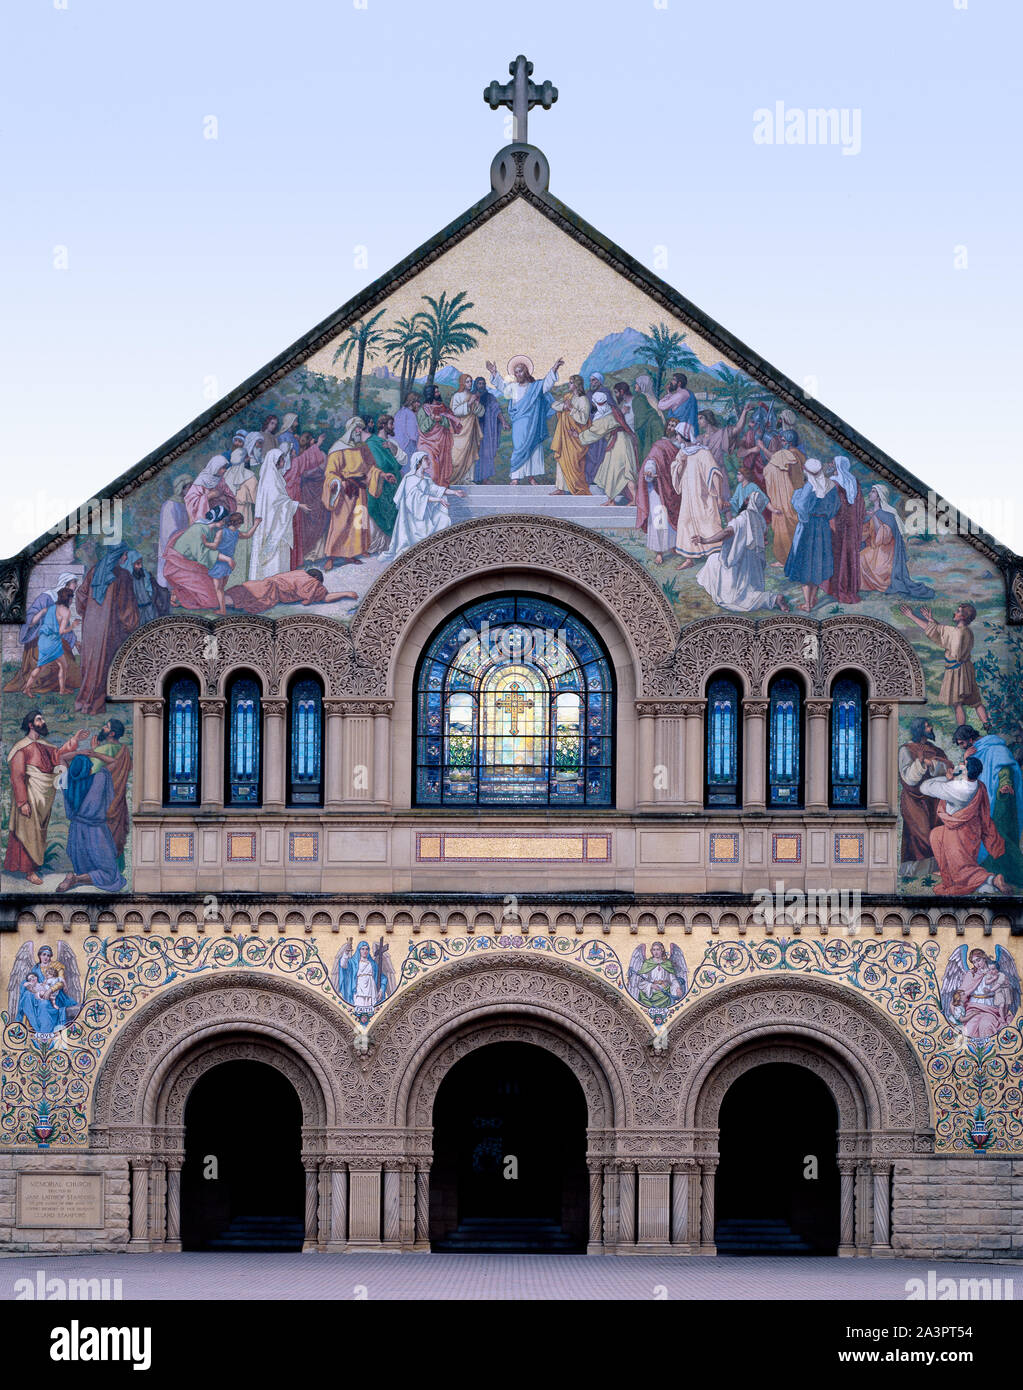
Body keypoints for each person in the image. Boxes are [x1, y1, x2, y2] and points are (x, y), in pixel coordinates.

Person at [3, 712, 85, 885]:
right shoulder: (21, 747)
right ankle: (28, 871)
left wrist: (74, 740)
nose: (43, 721)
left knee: (37, 833)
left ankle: (31, 867)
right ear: (30, 725)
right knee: (27, 830)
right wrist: (22, 802)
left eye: (42, 718)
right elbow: (17, 776)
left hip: (43, 797)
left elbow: (58, 755)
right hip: (28, 795)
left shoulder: (44, 745)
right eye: (39, 719)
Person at [917, 757, 1008, 895]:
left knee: (962, 869)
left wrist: (948, 779)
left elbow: (924, 787)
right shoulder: (977, 784)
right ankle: (948, 872)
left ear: (965, 771)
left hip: (958, 832)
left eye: (963, 764)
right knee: (936, 834)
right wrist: (954, 778)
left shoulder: (957, 789)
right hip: (972, 830)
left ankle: (992, 880)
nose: (959, 764)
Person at [950, 725, 1023, 887]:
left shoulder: (996, 748)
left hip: (1001, 800)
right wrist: (965, 759)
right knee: (990, 835)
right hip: (984, 800)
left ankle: (1016, 874)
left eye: (962, 743)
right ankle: (993, 874)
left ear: (970, 739)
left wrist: (1005, 784)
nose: (962, 747)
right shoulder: (974, 752)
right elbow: (960, 777)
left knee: (1000, 835)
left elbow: (1005, 769)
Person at [900, 602, 989, 727]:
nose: (955, 613)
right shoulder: (967, 631)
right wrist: (931, 620)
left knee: (957, 703)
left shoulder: (956, 632)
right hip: (966, 669)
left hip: (956, 671)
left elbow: (938, 632)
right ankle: (987, 725)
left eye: (958, 611)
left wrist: (911, 616)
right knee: (976, 702)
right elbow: (942, 631)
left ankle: (961, 730)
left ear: (963, 617)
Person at [74, 545, 139, 715]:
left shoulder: (94, 571)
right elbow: (126, 607)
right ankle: (95, 704)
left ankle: (83, 701)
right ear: (118, 555)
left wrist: (89, 612)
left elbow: (81, 595)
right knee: (104, 663)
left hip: (90, 626)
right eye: (124, 555)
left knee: (90, 662)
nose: (126, 558)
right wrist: (131, 624)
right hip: (110, 628)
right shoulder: (123, 576)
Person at [321, 418, 396, 567]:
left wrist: (382, 475)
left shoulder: (362, 448)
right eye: (357, 428)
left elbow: (371, 468)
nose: (359, 431)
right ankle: (332, 556)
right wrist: (338, 482)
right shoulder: (338, 448)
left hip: (360, 490)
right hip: (345, 490)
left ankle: (351, 554)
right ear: (350, 430)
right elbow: (330, 473)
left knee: (358, 523)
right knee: (341, 524)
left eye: (360, 428)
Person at [694, 492, 787, 611]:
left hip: (740, 563)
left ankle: (774, 599)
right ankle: (772, 599)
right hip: (754, 566)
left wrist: (705, 540)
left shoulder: (744, 517)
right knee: (746, 590)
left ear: (749, 502)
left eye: (747, 499)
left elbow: (727, 532)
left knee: (714, 562)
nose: (744, 501)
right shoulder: (760, 519)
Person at [487, 354, 564, 485]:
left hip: (533, 423)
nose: (518, 374)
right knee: (519, 448)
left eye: (520, 371)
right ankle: (515, 477)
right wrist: (494, 373)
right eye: (516, 372)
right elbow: (502, 387)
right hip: (519, 423)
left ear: (526, 372)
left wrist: (554, 369)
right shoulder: (513, 387)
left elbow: (546, 384)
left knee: (533, 449)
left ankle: (531, 477)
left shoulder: (534, 387)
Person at [55, 753, 127, 893]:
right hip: (96, 833)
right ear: (88, 768)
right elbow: (114, 762)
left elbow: (61, 758)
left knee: (86, 868)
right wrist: (92, 753)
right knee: (111, 875)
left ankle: (75, 877)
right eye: (89, 766)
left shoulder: (66, 781)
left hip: (76, 834)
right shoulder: (99, 779)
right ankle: (76, 879)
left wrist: (80, 753)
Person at [383, 452, 465, 561]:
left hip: (424, 513)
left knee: (444, 519)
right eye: (426, 459)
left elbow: (436, 490)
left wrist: (454, 492)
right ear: (419, 463)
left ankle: (437, 550)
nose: (429, 461)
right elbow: (415, 498)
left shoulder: (426, 478)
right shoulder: (410, 479)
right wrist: (438, 499)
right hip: (414, 518)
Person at [898, 717, 953, 877]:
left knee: (936, 831)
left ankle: (937, 868)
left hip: (934, 799)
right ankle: (915, 872)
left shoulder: (935, 750)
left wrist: (934, 764)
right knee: (919, 834)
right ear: (919, 729)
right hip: (914, 800)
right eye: (927, 726)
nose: (930, 728)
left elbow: (947, 766)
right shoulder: (906, 750)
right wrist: (921, 764)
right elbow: (908, 777)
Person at [785, 459, 842, 610]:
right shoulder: (830, 486)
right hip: (822, 527)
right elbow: (835, 507)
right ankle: (810, 601)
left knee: (805, 563)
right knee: (817, 563)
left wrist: (796, 497)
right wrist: (824, 516)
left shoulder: (809, 486)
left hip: (808, 527)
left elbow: (801, 506)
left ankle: (808, 604)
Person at [860, 485, 933, 598]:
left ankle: (879, 582)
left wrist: (874, 517)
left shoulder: (888, 514)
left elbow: (884, 537)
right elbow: (868, 533)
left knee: (860, 558)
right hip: (876, 549)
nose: (870, 493)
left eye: (873, 491)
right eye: (871, 491)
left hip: (886, 553)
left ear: (879, 495)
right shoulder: (872, 512)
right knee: (859, 556)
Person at [671, 430, 729, 566]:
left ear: (684, 436)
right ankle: (689, 558)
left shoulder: (703, 453)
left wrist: (719, 497)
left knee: (708, 523)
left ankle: (715, 555)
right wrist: (681, 462)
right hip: (687, 499)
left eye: (678, 434)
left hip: (702, 498)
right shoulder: (682, 453)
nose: (676, 437)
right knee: (686, 524)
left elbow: (715, 473)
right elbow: (676, 472)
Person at [248, 448, 305, 581]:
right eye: (281, 459)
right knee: (274, 557)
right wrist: (297, 505)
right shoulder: (270, 479)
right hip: (272, 525)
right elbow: (277, 502)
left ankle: (279, 584)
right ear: (275, 461)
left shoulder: (275, 477)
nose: (284, 461)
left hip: (276, 522)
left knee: (280, 555)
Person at [579, 390, 638, 505]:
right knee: (624, 470)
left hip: (619, 443)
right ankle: (620, 499)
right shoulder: (613, 409)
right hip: (624, 440)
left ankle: (615, 500)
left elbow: (594, 432)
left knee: (614, 471)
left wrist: (579, 436)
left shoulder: (605, 417)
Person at [21, 582, 79, 696]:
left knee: (48, 666)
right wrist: (73, 626)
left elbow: (33, 622)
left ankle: (29, 689)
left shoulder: (49, 608)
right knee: (61, 666)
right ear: (68, 599)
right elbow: (61, 631)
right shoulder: (66, 612)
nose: (72, 601)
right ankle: (60, 690)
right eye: (71, 598)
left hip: (43, 640)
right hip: (53, 642)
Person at [821, 456, 865, 604]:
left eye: (834, 463)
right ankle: (849, 587)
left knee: (837, 554)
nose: (831, 465)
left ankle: (836, 588)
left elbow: (828, 505)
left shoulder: (834, 482)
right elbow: (860, 506)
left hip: (837, 524)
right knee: (848, 554)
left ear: (838, 466)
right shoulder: (854, 481)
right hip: (852, 525)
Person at [760, 429, 804, 567]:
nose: (781, 443)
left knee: (785, 524)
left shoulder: (787, 454)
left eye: (783, 441)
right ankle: (791, 558)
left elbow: (773, 462)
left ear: (789, 442)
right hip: (796, 493)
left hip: (786, 496)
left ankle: (786, 559)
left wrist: (762, 448)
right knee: (790, 525)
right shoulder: (798, 454)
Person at [226, 567, 357, 614]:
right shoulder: (312, 582)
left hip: (261, 584)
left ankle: (219, 603)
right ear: (317, 578)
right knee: (246, 599)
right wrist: (345, 593)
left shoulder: (298, 572)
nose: (319, 587)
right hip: (269, 591)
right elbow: (325, 597)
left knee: (239, 593)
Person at [205, 510, 262, 613]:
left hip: (219, 561)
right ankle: (221, 607)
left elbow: (214, 546)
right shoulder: (236, 533)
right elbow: (248, 535)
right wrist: (256, 524)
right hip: (228, 564)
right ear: (239, 524)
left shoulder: (221, 531)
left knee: (218, 589)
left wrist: (205, 543)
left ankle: (222, 610)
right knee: (221, 588)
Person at [287, 431, 330, 567]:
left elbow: (322, 470)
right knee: (306, 521)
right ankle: (306, 553)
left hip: (318, 490)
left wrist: (310, 474)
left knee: (319, 518)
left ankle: (317, 552)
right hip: (305, 492)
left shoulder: (317, 455)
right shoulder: (301, 457)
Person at [223, 435, 261, 586]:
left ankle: (230, 582)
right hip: (243, 514)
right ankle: (241, 581)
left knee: (229, 546)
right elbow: (256, 499)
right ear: (244, 459)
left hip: (229, 514)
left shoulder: (226, 474)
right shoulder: (250, 477)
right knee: (243, 546)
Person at [363, 416, 406, 540]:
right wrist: (389, 469)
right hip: (380, 483)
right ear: (383, 425)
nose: (393, 427)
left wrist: (393, 449)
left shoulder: (392, 443)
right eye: (391, 424)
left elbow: (402, 462)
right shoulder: (372, 443)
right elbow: (378, 464)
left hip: (394, 483)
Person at [550, 375, 591, 495]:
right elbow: (554, 405)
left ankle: (576, 487)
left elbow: (583, 419)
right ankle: (561, 488)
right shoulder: (568, 397)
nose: (569, 384)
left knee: (573, 463)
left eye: (571, 382)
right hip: (564, 435)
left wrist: (571, 409)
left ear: (577, 385)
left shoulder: (583, 400)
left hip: (575, 436)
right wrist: (564, 406)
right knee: (562, 460)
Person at [415, 386, 461, 488]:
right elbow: (423, 428)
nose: (438, 393)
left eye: (438, 391)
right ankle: (430, 491)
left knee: (444, 469)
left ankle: (441, 490)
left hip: (443, 444)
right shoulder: (424, 410)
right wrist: (432, 418)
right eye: (436, 392)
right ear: (430, 394)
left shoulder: (443, 408)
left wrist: (441, 419)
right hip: (428, 443)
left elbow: (451, 423)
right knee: (432, 470)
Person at [616, 382, 661, 472]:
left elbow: (641, 420)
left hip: (636, 438)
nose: (616, 395)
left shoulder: (637, 402)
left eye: (616, 392)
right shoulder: (624, 405)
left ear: (622, 392)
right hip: (627, 437)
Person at [448, 373, 485, 484]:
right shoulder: (457, 396)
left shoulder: (473, 395)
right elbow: (454, 411)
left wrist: (477, 404)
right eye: (467, 381)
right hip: (460, 429)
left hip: (471, 428)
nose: (470, 384)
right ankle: (457, 478)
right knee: (457, 454)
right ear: (462, 383)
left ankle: (468, 479)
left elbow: (480, 413)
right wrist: (469, 403)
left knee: (470, 453)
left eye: (471, 381)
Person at [157, 477, 191, 587]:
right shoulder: (170, 505)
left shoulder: (184, 504)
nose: (190, 489)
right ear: (181, 488)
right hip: (172, 545)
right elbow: (169, 530)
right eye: (188, 487)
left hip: (183, 544)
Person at [472, 376, 507, 483]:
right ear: (476, 385)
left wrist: (503, 422)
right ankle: (472, 478)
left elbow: (497, 410)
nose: (481, 385)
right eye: (479, 383)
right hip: (473, 429)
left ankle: (485, 478)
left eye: (483, 383)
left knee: (486, 453)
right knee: (473, 452)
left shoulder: (490, 397)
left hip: (487, 429)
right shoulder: (471, 396)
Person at [183, 455, 234, 524]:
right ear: (215, 468)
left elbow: (230, 496)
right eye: (223, 468)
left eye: (225, 468)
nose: (225, 470)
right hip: (207, 519)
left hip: (221, 517)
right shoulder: (201, 481)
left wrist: (225, 498)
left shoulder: (221, 480)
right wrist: (209, 496)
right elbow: (191, 502)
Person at [126, 550, 170, 626]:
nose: (140, 566)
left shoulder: (145, 574)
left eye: (141, 563)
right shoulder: (128, 578)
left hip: (149, 607)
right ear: (131, 564)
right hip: (137, 610)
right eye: (137, 564)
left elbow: (151, 588)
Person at [657, 373, 699, 438]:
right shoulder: (687, 393)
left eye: (674, 380)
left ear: (679, 383)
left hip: (679, 431)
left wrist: (668, 394)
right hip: (686, 428)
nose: (671, 382)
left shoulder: (679, 395)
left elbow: (661, 406)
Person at [393, 391, 421, 463]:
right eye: (417, 402)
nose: (419, 404)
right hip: (407, 446)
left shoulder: (400, 412)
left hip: (398, 446)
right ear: (411, 402)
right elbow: (413, 435)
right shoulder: (410, 414)